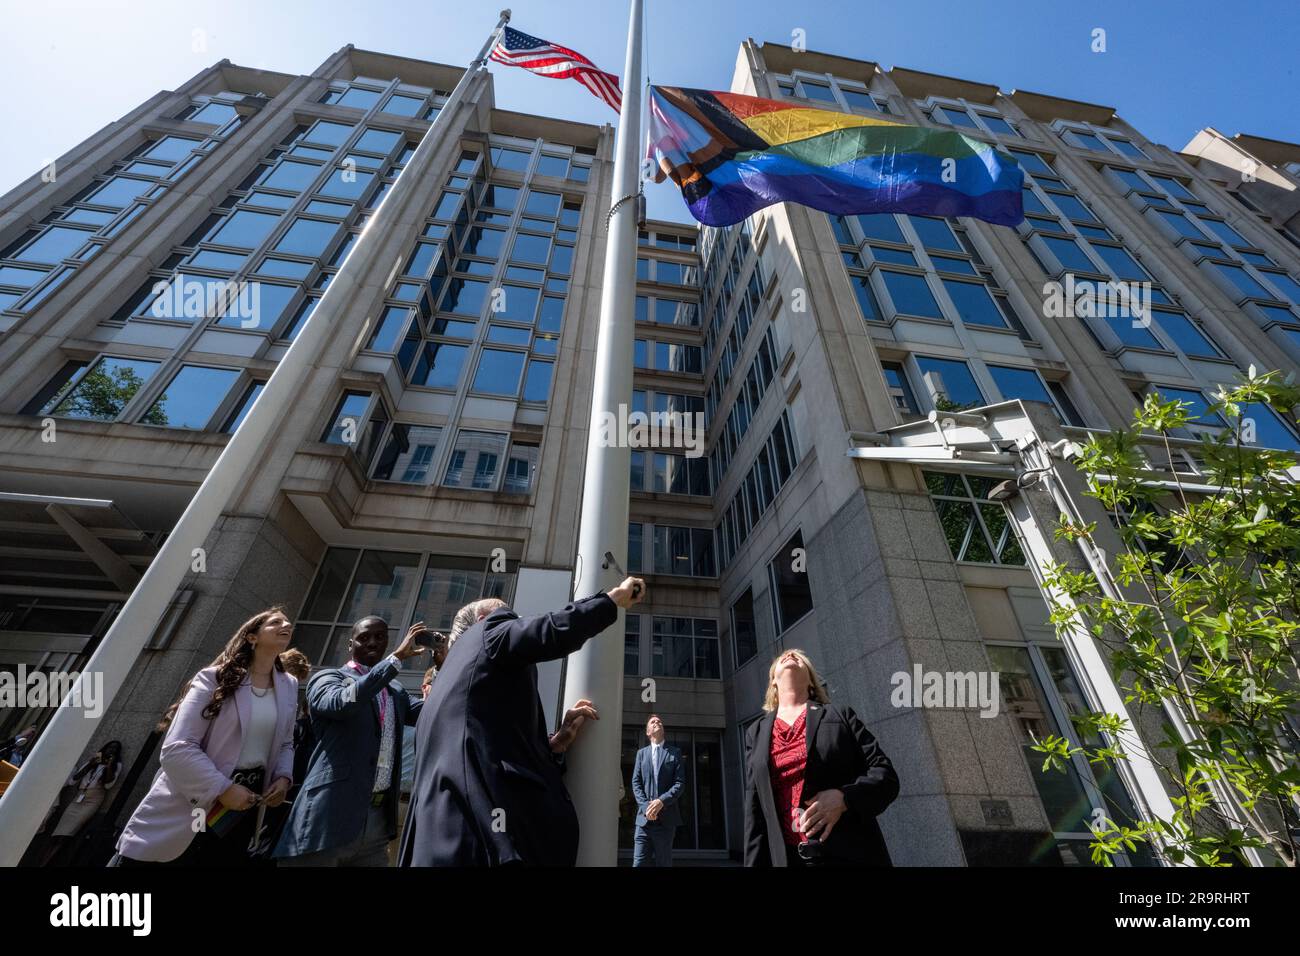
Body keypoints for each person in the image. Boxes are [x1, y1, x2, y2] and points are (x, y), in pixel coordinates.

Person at [399, 577, 647, 866]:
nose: (515, 621)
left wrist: (551, 746)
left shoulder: (448, 684)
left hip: (441, 843)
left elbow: (484, 743)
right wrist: (611, 600)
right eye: (509, 616)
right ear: (483, 619)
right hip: (483, 842)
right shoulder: (487, 632)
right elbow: (549, 629)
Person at [110, 608, 298, 866]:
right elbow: (177, 748)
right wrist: (223, 788)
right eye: (275, 621)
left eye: (288, 622)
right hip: (194, 800)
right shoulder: (213, 679)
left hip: (243, 808)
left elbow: (286, 742)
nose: (286, 624)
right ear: (252, 637)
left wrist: (283, 777)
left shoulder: (289, 686)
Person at [274, 617, 429, 866]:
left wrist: (446, 664)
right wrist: (395, 660)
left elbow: (434, 710)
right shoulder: (327, 679)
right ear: (350, 644)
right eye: (364, 637)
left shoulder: (396, 690)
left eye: (380, 637)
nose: (373, 642)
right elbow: (342, 703)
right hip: (330, 815)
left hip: (377, 822)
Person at [744, 649, 899, 867]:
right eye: (782, 658)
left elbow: (885, 775)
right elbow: (755, 808)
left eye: (799, 657)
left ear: (811, 681)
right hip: (786, 859)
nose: (790, 655)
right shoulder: (755, 732)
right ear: (773, 683)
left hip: (848, 855)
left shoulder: (840, 715)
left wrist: (844, 798)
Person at [41, 741, 124, 865]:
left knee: (66, 836)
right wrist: (91, 763)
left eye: (115, 749)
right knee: (56, 834)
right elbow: (73, 780)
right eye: (109, 747)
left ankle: (49, 863)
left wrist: (109, 766)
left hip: (92, 801)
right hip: (78, 798)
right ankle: (43, 861)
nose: (111, 750)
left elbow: (108, 785)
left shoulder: (116, 765)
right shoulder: (93, 762)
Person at [630, 714, 684, 866]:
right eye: (653, 722)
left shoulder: (675, 753)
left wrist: (661, 801)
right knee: (639, 863)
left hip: (666, 823)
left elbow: (680, 783)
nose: (657, 722)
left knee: (664, 863)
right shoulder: (641, 754)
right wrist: (647, 807)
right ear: (648, 732)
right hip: (643, 823)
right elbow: (636, 783)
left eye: (659, 721)